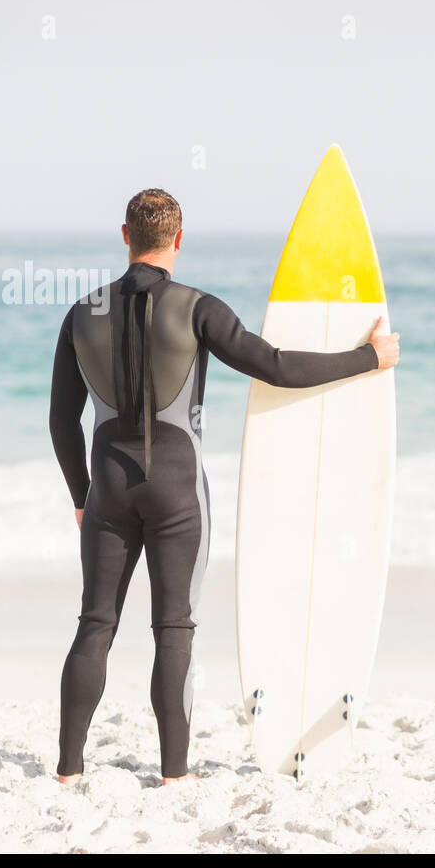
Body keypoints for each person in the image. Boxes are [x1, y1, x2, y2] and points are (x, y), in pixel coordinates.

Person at [48, 188, 399, 785]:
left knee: (95, 623)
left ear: (124, 235)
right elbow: (278, 367)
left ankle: (68, 770)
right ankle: (174, 774)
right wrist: (367, 358)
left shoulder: (82, 313)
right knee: (174, 627)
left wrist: (83, 497)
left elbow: (62, 418)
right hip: (177, 491)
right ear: (178, 240)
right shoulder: (198, 308)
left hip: (107, 487)